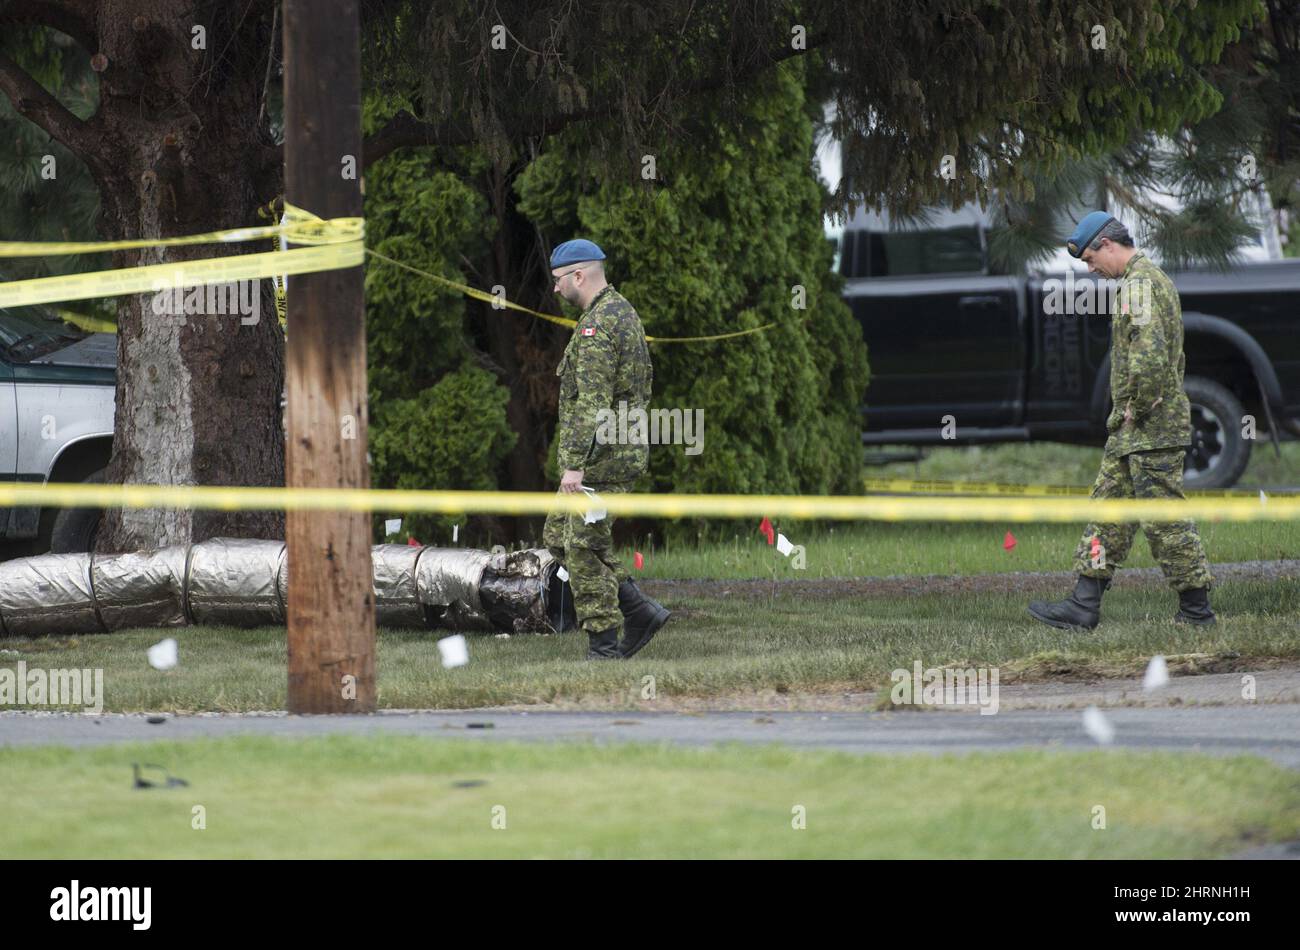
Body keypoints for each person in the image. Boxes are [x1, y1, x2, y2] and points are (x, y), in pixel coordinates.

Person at [1028, 212, 1215, 629]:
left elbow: (1147, 356)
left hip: (1150, 427)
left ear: (1108, 245)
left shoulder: (1139, 284)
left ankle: (1197, 613)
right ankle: (1083, 604)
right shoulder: (1144, 280)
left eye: (1091, 260)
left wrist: (1138, 405)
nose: (1091, 271)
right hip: (1131, 429)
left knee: (1165, 521)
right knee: (1108, 512)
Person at [542, 238, 671, 658]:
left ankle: (603, 645)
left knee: (580, 546)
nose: (556, 289)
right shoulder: (619, 312)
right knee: (560, 538)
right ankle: (639, 609)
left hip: (604, 460)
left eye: (559, 280)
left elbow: (593, 405)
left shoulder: (598, 327)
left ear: (579, 275)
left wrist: (574, 467)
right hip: (614, 451)